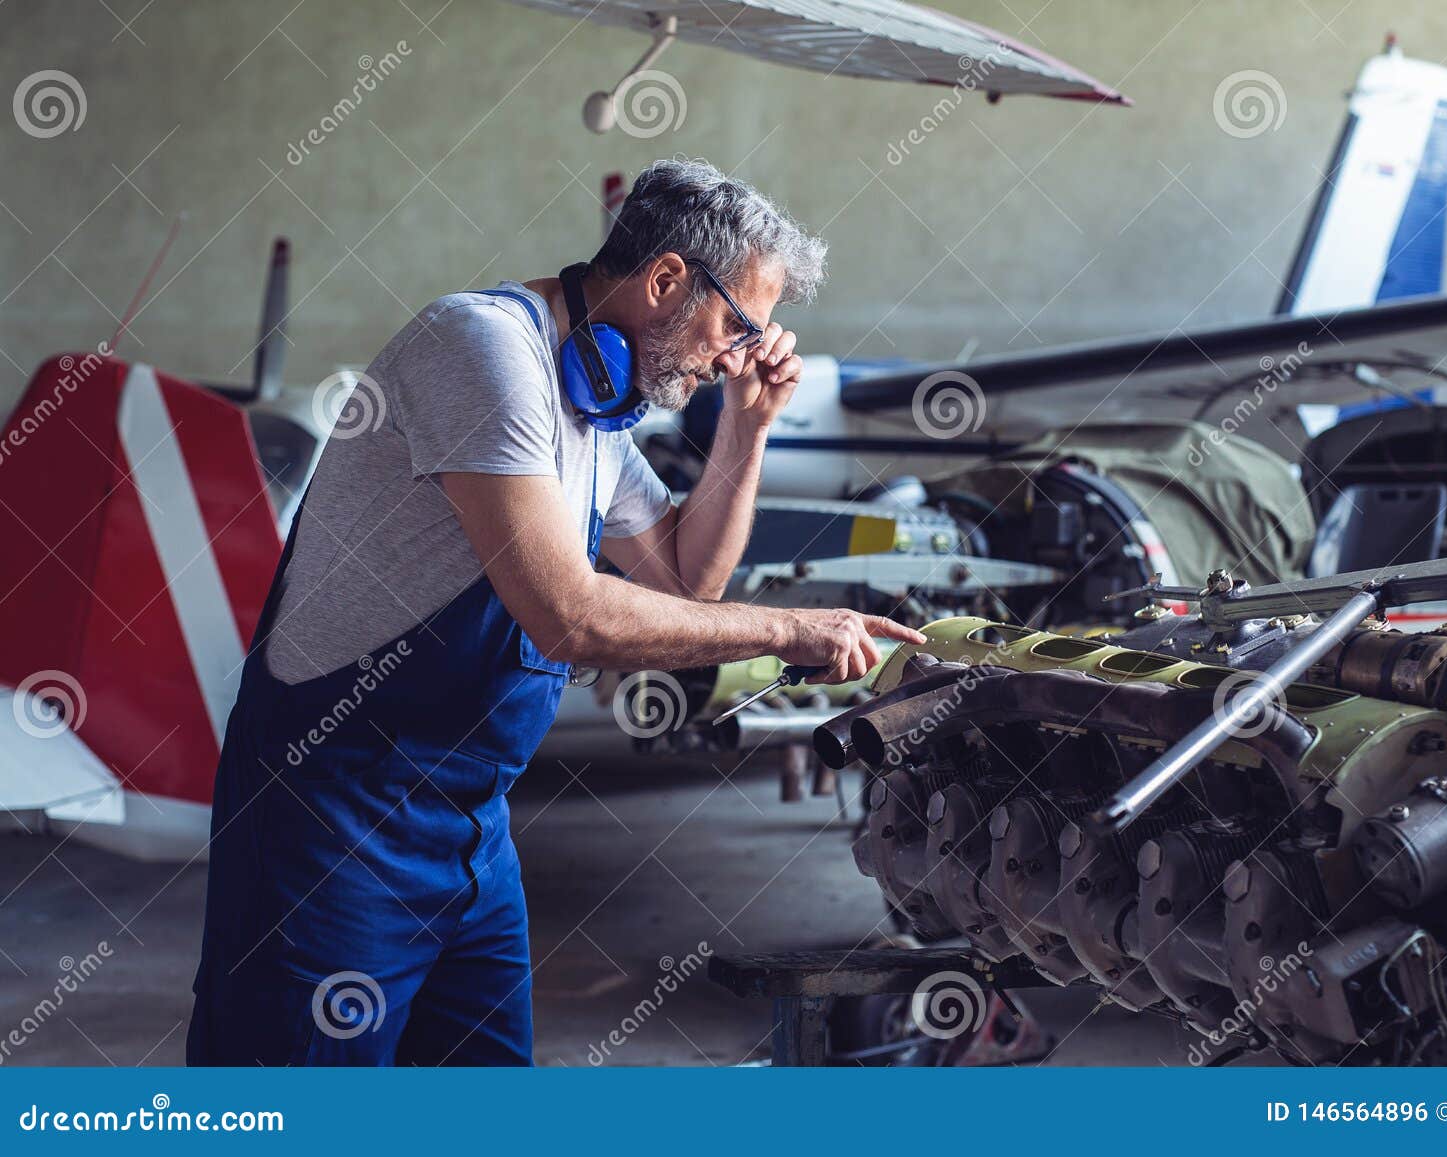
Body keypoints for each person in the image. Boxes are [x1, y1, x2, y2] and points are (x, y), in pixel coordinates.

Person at [186, 158, 923, 1065]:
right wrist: (794, 628)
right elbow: (566, 615)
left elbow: (685, 585)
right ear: (665, 280)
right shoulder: (483, 348)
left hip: (471, 825)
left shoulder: (598, 415)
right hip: (334, 812)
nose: (738, 352)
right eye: (738, 326)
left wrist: (749, 420)